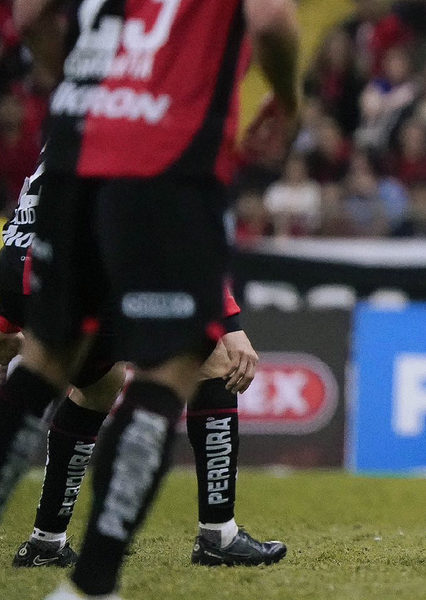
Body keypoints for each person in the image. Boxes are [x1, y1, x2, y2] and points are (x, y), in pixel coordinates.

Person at [0, 0, 313, 597]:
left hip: (77, 144)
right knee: (175, 372)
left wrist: (79, 86)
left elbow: (30, 8)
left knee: (46, 365)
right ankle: (92, 585)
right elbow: (269, 14)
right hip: (169, 158)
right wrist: (288, 103)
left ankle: (54, 540)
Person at [0, 159, 286, 569]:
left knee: (99, 383)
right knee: (215, 360)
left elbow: (24, 226)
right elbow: (174, 229)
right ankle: (218, 535)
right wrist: (228, 320)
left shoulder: (76, 118)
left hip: (25, 273)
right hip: (81, 272)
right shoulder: (149, 128)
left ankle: (47, 541)